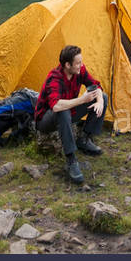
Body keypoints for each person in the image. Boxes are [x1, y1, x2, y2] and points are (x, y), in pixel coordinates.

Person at [34, 43, 107, 185]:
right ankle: (71, 159)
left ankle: (84, 139)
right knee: (63, 110)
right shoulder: (54, 78)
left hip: (69, 112)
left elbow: (95, 86)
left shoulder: (79, 70)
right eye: (78, 63)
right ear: (67, 65)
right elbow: (55, 106)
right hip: (45, 121)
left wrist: (100, 102)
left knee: (102, 97)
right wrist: (82, 99)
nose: (81, 65)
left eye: (81, 62)